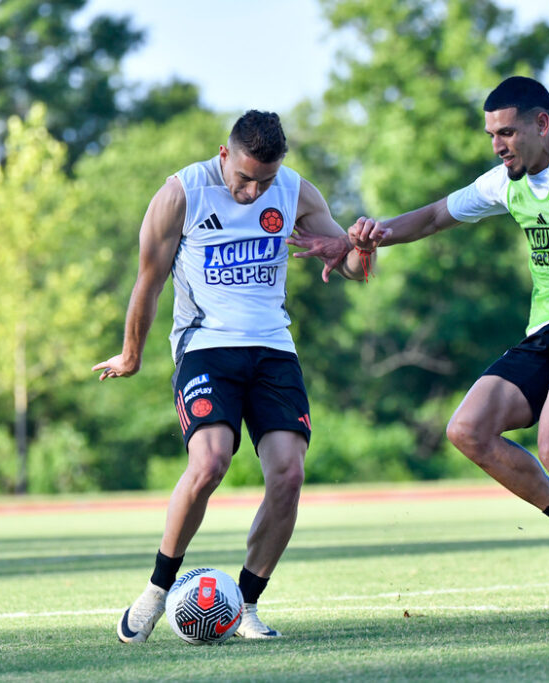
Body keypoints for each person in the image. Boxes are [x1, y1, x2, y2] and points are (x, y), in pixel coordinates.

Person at [342, 76, 549, 632]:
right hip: (545, 331)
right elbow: (436, 215)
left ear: (542, 124)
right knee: (468, 429)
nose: (498, 145)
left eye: (507, 132)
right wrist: (368, 238)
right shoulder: (506, 182)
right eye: (492, 134)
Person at [93, 110, 369, 643]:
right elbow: (148, 281)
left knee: (288, 475)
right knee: (212, 460)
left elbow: (350, 267)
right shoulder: (182, 193)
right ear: (225, 155)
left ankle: (245, 605)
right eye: (244, 178)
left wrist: (360, 245)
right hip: (206, 347)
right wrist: (132, 355)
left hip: (272, 348)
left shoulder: (294, 192)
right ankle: (156, 590)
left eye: (264, 180)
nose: (253, 191)